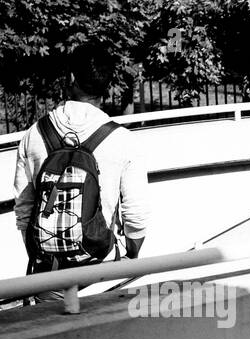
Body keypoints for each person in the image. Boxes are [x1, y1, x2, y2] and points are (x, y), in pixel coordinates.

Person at [13, 50, 150, 303]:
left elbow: (24, 211)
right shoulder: (123, 140)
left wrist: (45, 257)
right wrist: (131, 257)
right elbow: (136, 214)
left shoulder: (33, 135)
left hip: (50, 276)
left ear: (71, 77)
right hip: (104, 270)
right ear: (106, 85)